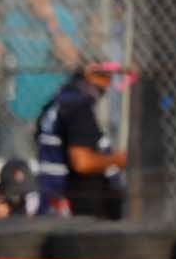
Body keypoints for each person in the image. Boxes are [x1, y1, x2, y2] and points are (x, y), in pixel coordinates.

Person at [0, 0, 83, 158]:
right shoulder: (15, 19)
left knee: (52, 173)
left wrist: (51, 23)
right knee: (21, 172)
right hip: (23, 110)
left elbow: (70, 59)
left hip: (54, 112)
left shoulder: (63, 18)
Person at [34, 62, 128, 219]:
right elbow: (82, 162)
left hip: (51, 197)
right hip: (72, 206)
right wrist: (119, 160)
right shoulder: (78, 106)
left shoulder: (58, 101)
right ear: (88, 74)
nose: (107, 85)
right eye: (104, 76)